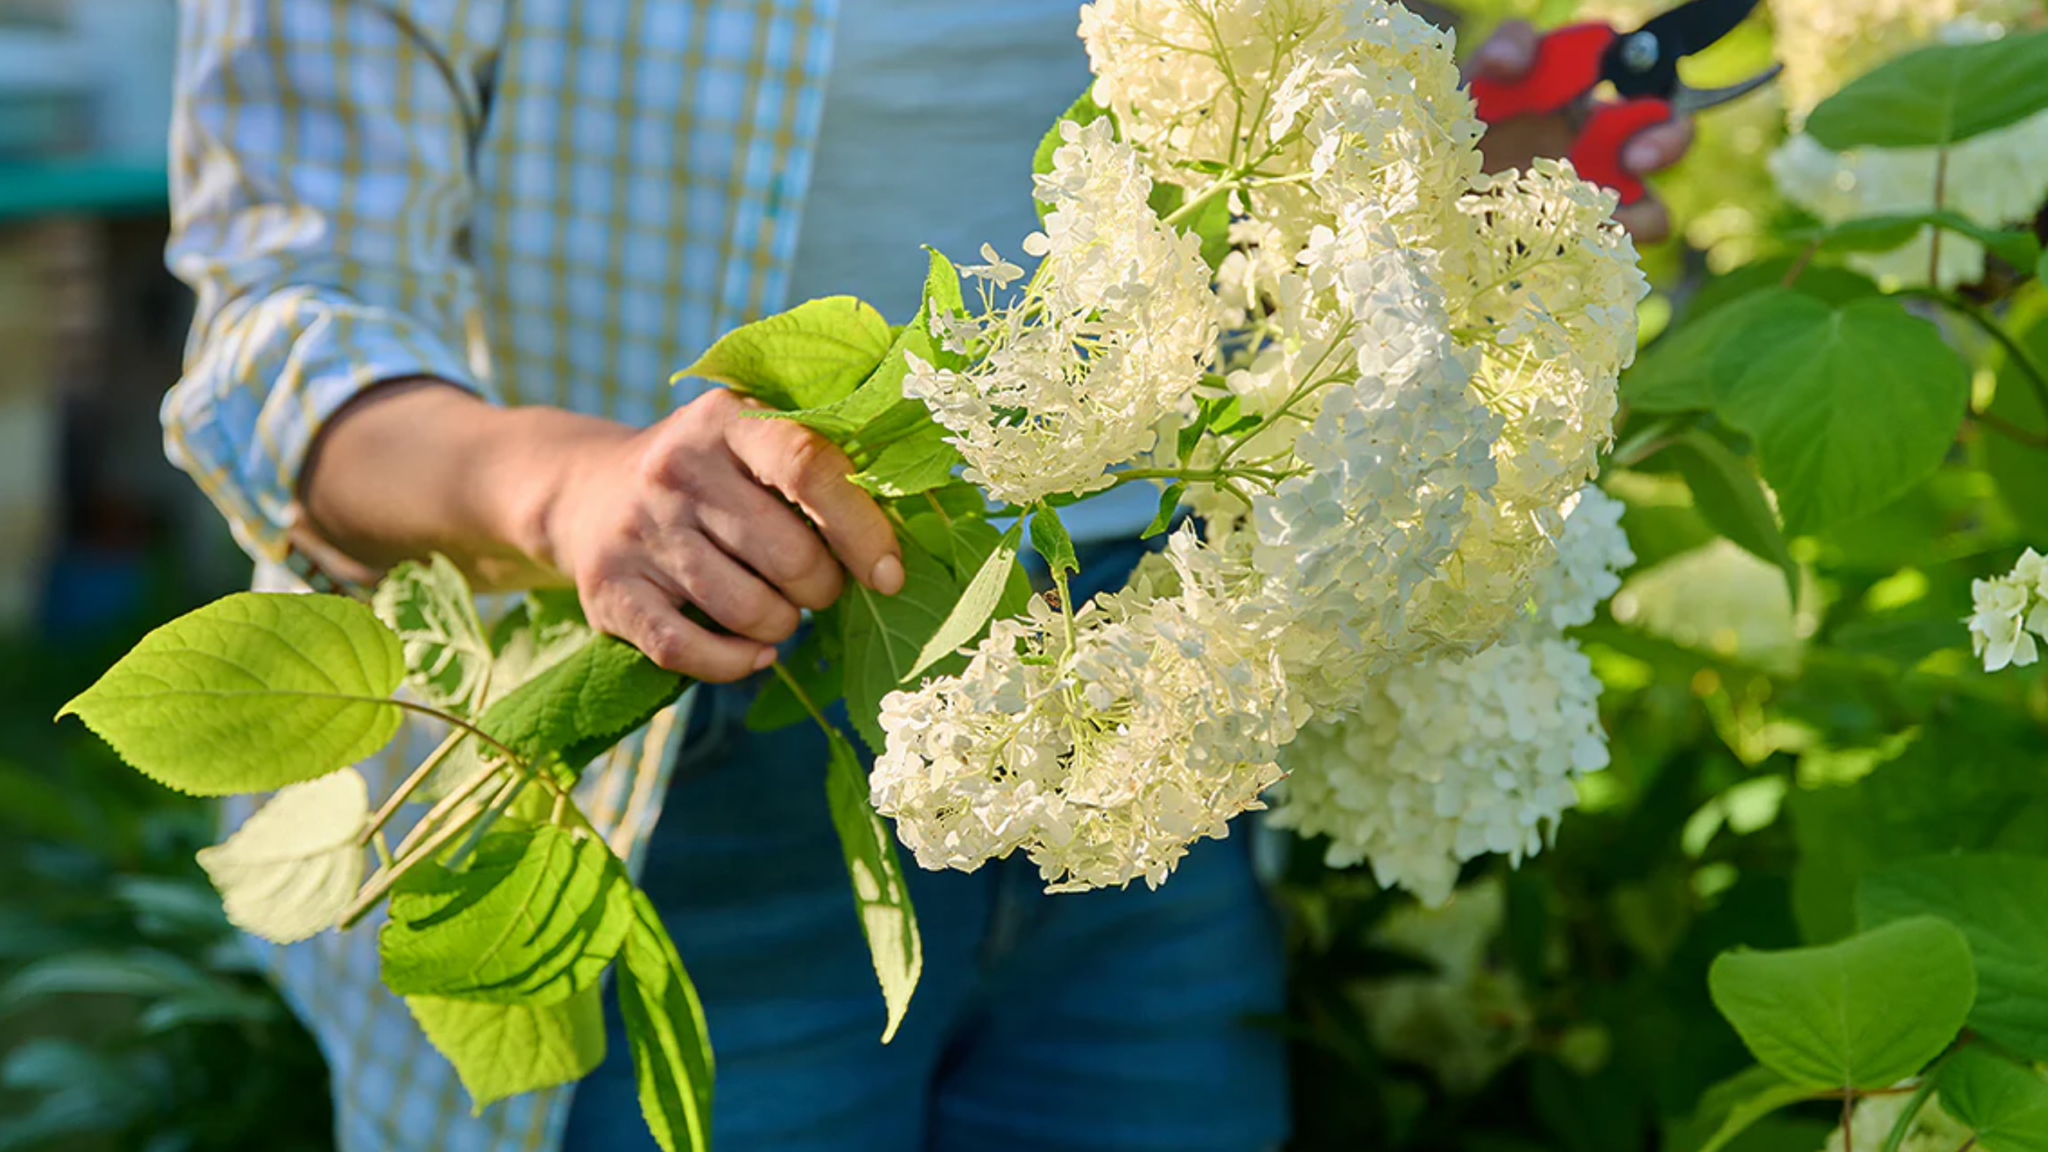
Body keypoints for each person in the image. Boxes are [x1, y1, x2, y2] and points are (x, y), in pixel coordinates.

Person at [162, 3, 1691, 1150]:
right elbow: (281, 326)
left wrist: (1441, 184)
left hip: (1164, 736)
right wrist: (566, 488)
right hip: (684, 757)